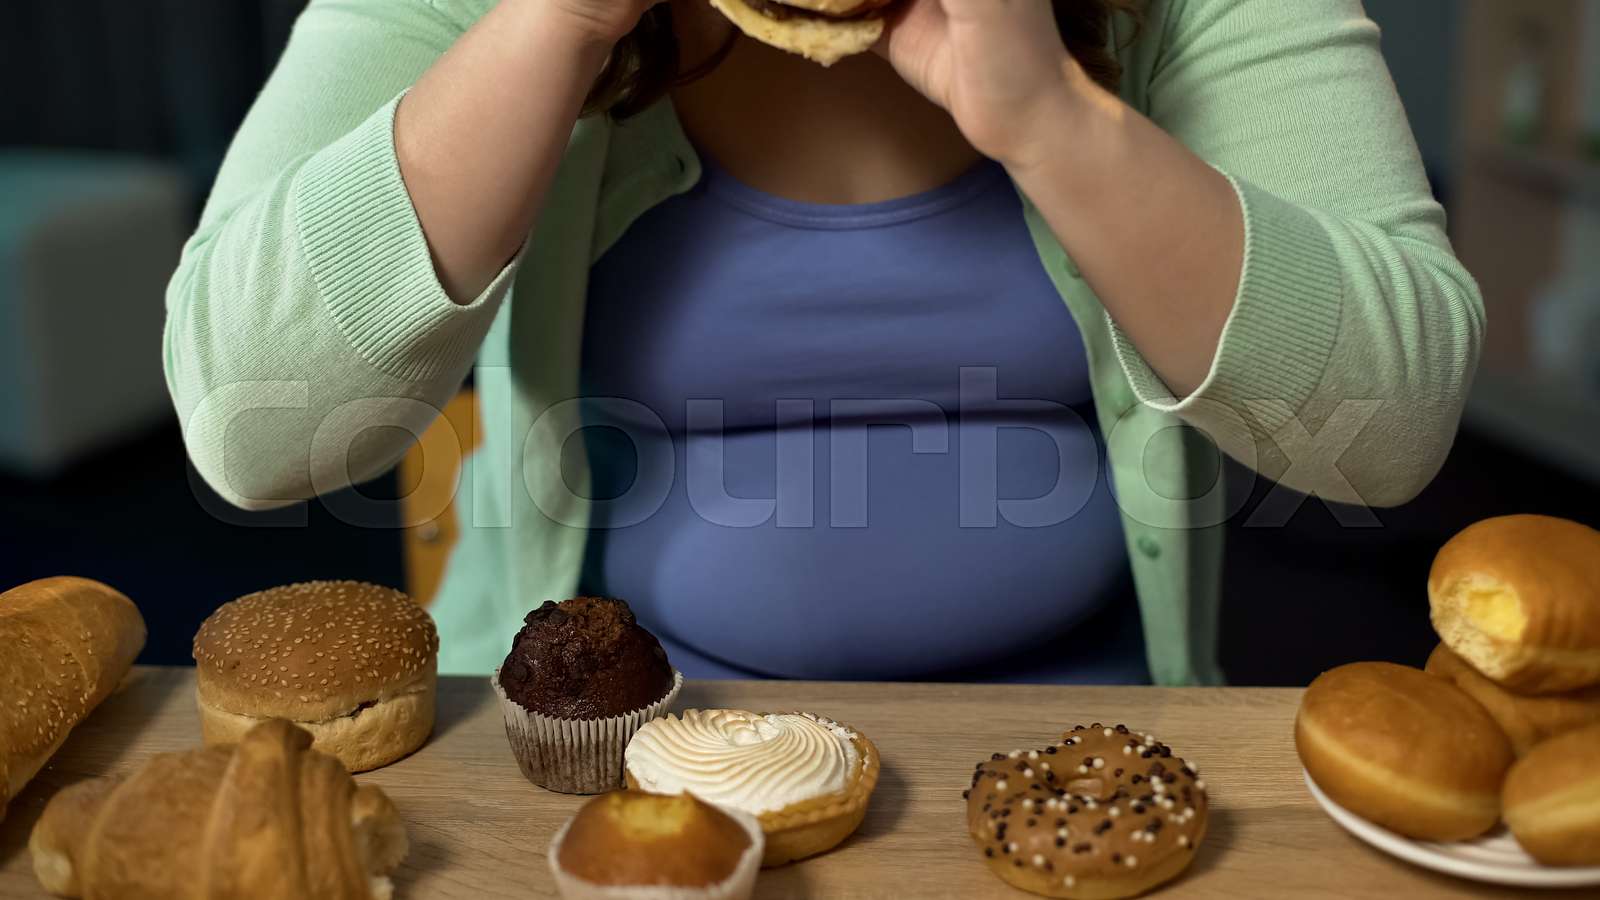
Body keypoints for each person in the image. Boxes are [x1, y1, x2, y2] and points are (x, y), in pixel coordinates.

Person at [164, 0, 1483, 685]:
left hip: (1091, 740)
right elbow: (250, 421)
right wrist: (552, 27)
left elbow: (1391, 424)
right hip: (607, 763)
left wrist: (1054, 122)